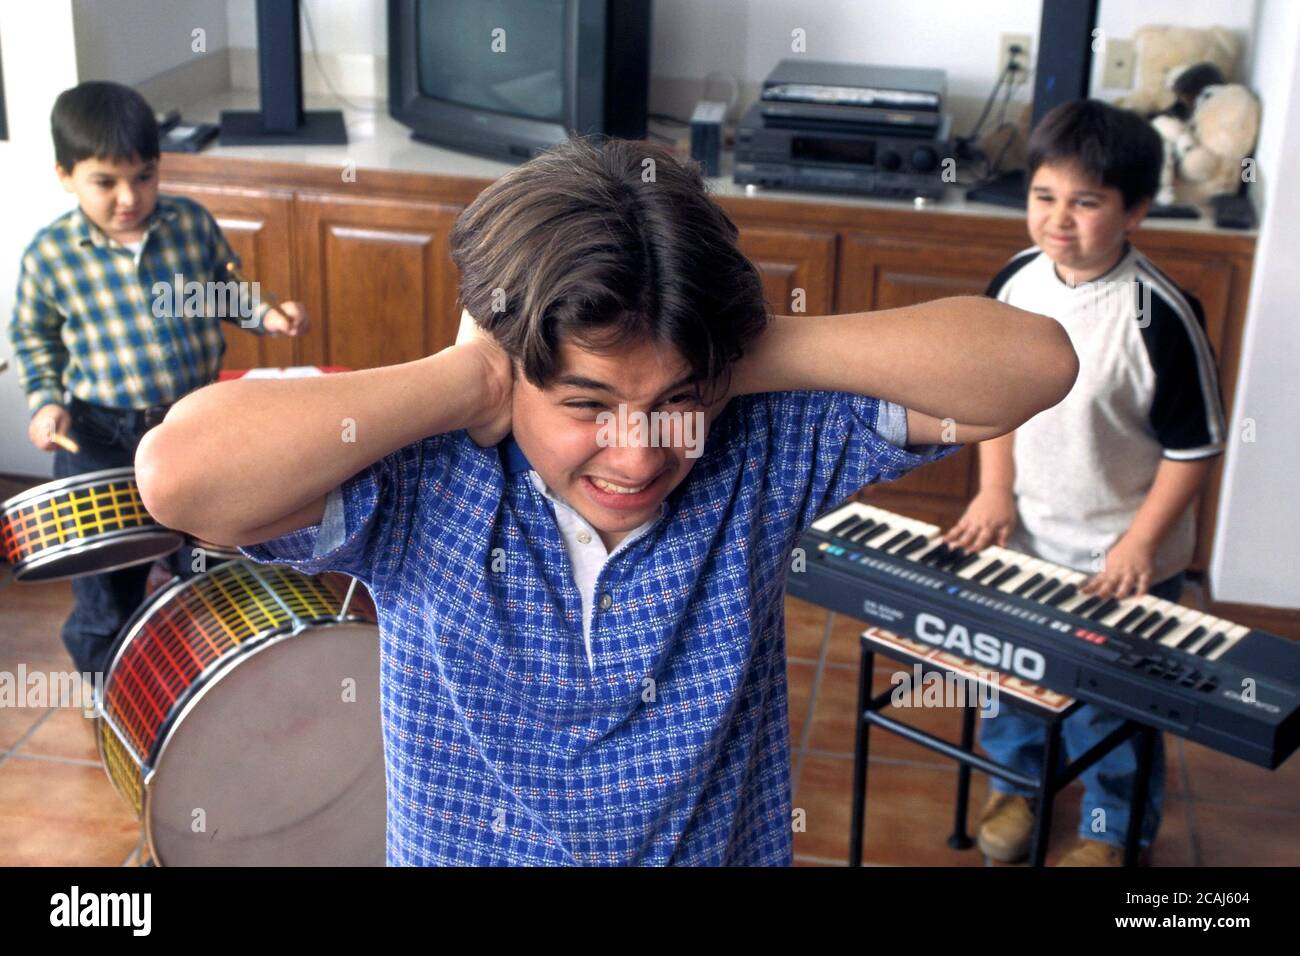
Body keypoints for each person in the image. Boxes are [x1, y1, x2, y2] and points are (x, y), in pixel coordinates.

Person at [135, 135, 1078, 865]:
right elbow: (178, 475)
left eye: (674, 403)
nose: (638, 454)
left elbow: (1037, 365)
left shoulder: (761, 442)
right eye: (586, 404)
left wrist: (738, 347)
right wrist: (462, 378)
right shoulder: (421, 477)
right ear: (511, 375)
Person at [943, 100, 1227, 866]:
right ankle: (1016, 786)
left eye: (1086, 202)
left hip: (1124, 555)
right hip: (1026, 535)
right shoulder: (1014, 281)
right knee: (1012, 679)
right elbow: (994, 399)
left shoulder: (1161, 315)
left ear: (1135, 210)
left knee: (1112, 706)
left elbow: (1195, 447)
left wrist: (1140, 542)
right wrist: (993, 489)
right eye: (1044, 196)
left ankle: (1112, 827)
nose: (1058, 220)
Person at [8, 81, 310, 678]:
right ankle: (106, 686)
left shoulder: (189, 224)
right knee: (107, 581)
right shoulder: (50, 255)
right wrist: (45, 402)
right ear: (66, 175)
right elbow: (32, 338)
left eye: (144, 176)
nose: (129, 197)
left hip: (191, 423)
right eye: (106, 182)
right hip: (99, 435)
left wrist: (267, 313)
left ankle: (215, 677)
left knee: (209, 555)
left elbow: (221, 290)